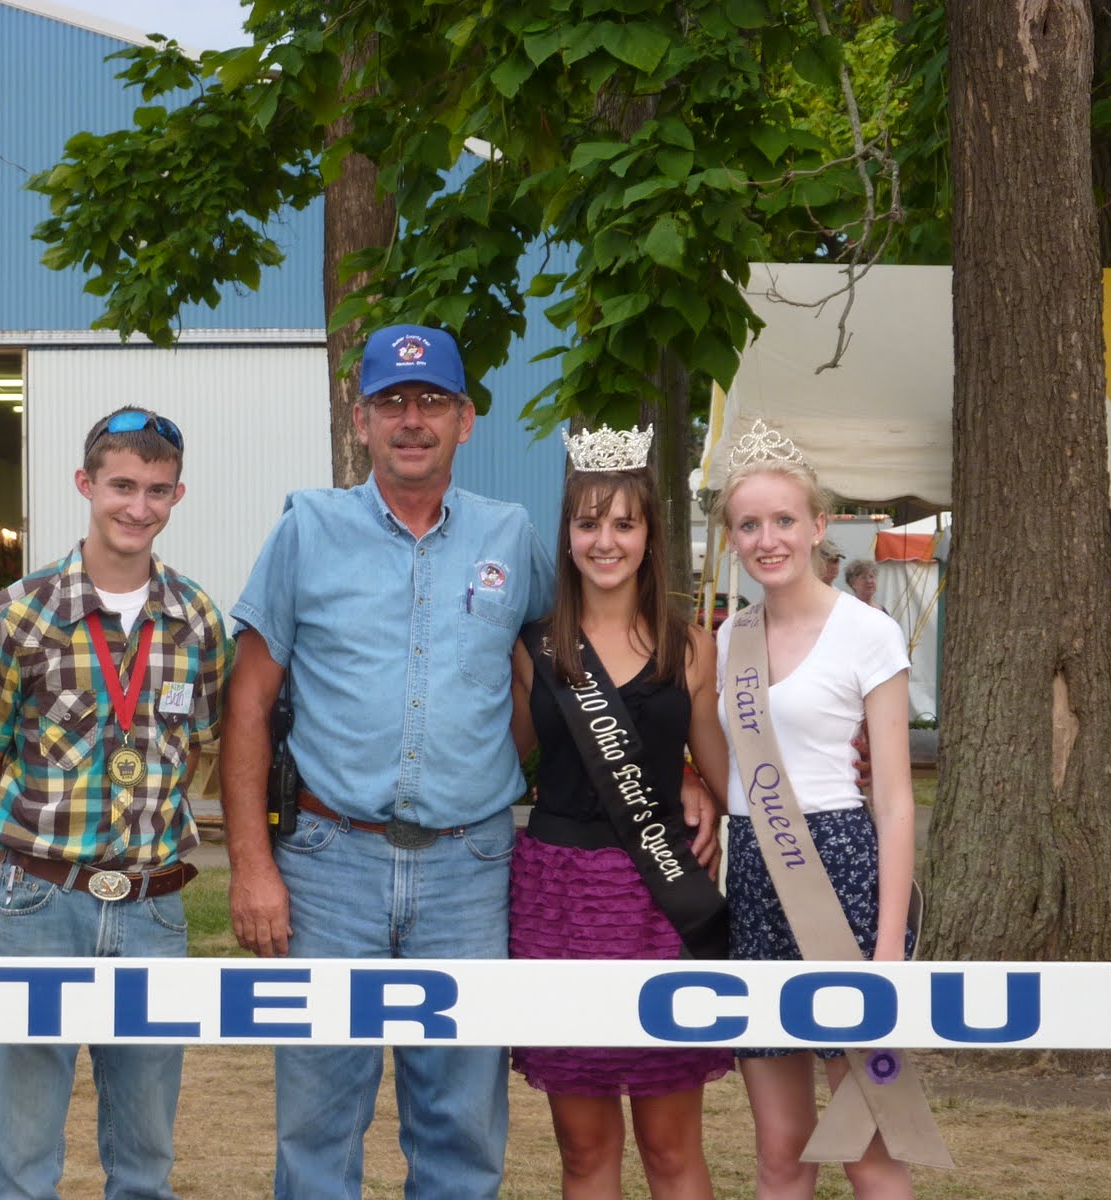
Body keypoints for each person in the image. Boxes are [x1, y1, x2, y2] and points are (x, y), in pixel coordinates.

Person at [221, 324, 721, 1199]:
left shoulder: (513, 535)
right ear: (362, 419)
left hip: (470, 867)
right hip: (330, 864)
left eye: (432, 403)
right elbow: (248, 703)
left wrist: (668, 766)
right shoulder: (307, 530)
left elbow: (577, 672)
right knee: (319, 1118)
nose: (412, 421)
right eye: (393, 404)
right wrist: (252, 866)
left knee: (460, 1124)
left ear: (467, 419)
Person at [0, 406, 227, 1200]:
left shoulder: (197, 619)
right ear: (86, 484)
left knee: (146, 1154)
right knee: (26, 1154)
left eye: (158, 491)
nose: (139, 507)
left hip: (153, 906)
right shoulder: (18, 612)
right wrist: (21, 854)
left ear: (177, 497)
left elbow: (199, 744)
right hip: (42, 902)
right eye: (122, 486)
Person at [508, 427, 732, 1200]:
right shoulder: (533, 647)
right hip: (559, 903)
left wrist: (695, 777)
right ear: (567, 536)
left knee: (671, 1149)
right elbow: (497, 761)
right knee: (583, 1149)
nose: (605, 541)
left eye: (624, 524)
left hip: (660, 898)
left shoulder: (691, 650)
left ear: (649, 536)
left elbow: (728, 776)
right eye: (588, 523)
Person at [711, 423, 917, 1199]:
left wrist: (889, 942)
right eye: (750, 525)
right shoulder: (732, 638)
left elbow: (896, 802)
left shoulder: (869, 631)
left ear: (820, 526)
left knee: (870, 1148)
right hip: (757, 880)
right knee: (780, 1153)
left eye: (785, 521)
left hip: (842, 879)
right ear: (733, 537)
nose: (768, 539)